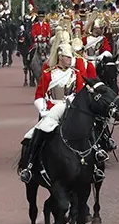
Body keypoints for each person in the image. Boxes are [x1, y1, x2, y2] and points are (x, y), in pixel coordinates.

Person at [18, 43, 85, 183]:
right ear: (60, 57)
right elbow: (39, 95)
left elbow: (80, 93)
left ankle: (96, 161)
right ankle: (29, 166)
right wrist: (43, 110)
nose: (70, 60)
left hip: (70, 109)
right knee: (35, 134)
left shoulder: (76, 74)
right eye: (67, 57)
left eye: (71, 57)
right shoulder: (49, 74)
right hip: (52, 110)